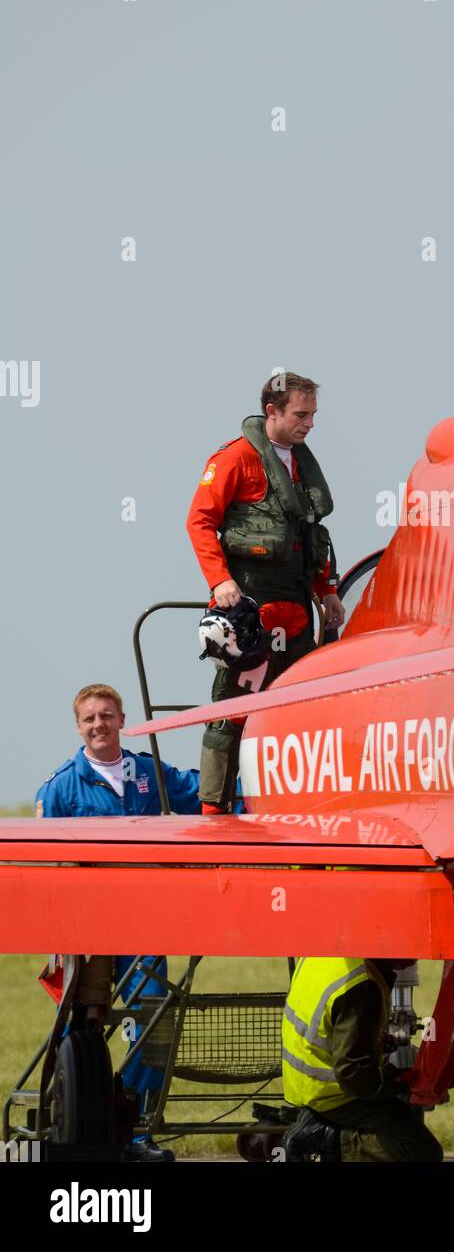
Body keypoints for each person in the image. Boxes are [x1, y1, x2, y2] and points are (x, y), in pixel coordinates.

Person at [36, 683, 202, 1164]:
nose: (99, 725)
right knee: (81, 1028)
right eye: (89, 718)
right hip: (86, 930)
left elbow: (200, 795)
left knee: (154, 1017)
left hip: (144, 922)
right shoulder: (61, 786)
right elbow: (51, 868)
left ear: (122, 720)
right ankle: (70, 1125)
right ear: (78, 726)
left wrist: (253, 795)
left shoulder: (149, 772)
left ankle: (131, 1129)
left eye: (106, 716)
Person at [187, 371, 345, 813]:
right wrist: (220, 580)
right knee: (231, 710)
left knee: (302, 707)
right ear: (272, 411)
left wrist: (327, 590)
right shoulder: (235, 459)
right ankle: (214, 816)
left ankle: (298, 811)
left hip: (296, 604)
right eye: (301, 414)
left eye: (313, 415)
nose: (310, 423)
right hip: (248, 608)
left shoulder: (301, 464)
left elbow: (311, 535)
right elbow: (199, 522)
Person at [281, 956, 443, 1163]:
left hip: (303, 1084)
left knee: (403, 1118)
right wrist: (402, 1081)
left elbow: (331, 1027)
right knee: (422, 1151)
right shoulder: (361, 985)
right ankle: (330, 1139)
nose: (416, 955)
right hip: (335, 1094)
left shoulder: (320, 954)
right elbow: (354, 1076)